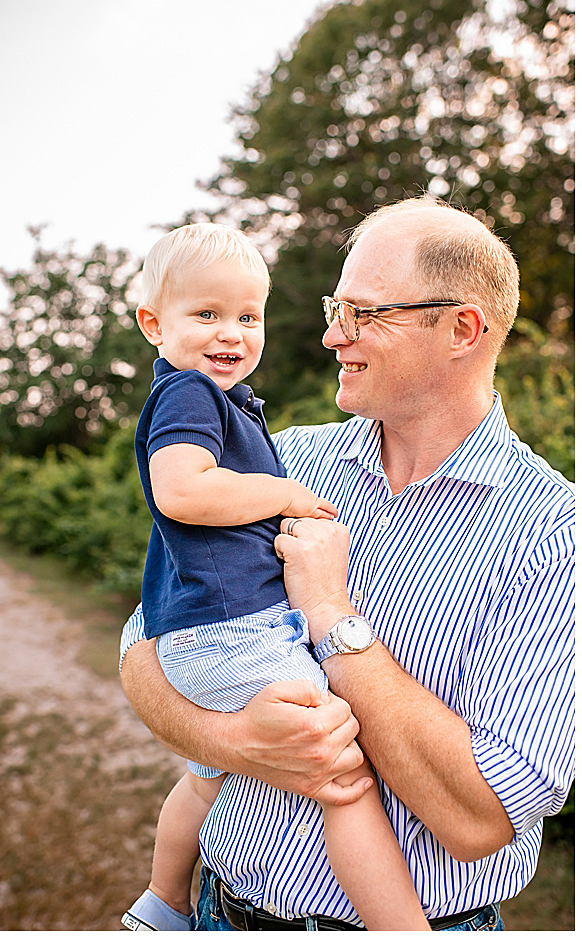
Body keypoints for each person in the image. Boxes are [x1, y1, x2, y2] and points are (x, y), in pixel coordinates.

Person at [119, 197, 573, 930]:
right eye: (338, 307)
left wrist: (332, 615)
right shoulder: (283, 461)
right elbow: (143, 647)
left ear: (462, 328)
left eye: (364, 313)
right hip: (219, 909)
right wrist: (236, 741)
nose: (333, 335)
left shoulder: (555, 534)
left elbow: (485, 816)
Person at [122, 223, 424, 931]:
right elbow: (183, 492)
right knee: (342, 776)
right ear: (152, 323)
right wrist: (285, 495)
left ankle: (162, 903)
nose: (231, 332)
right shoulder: (190, 395)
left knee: (207, 775)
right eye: (206, 314)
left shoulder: (223, 403)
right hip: (231, 631)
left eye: (247, 316)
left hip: (214, 628)